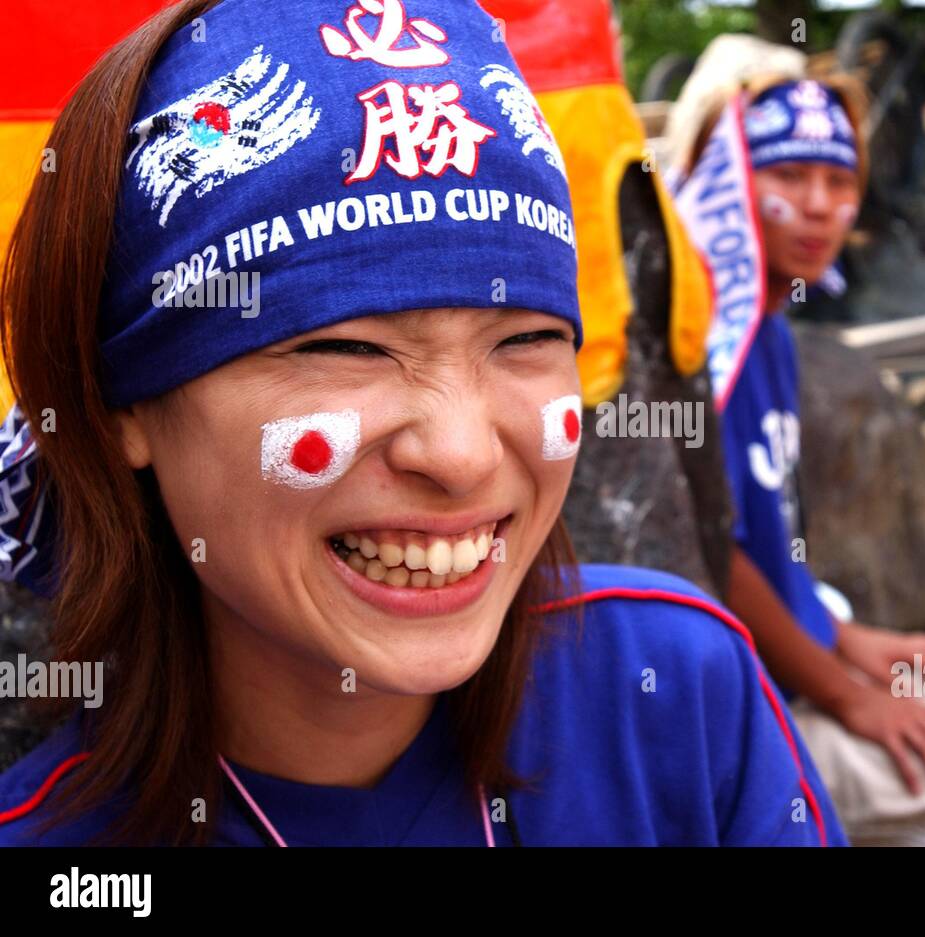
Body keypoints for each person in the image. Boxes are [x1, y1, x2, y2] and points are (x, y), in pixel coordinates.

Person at [0, 0, 843, 847]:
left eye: (524, 339)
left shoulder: (678, 695)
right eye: (346, 347)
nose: (462, 454)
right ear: (124, 409)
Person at [678, 76, 925, 846]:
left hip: (807, 652)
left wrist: (851, 642)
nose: (820, 204)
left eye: (840, 178)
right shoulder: (700, 348)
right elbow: (713, 554)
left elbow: (766, 541)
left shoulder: (771, 330)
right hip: (743, 700)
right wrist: (849, 695)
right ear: (724, 180)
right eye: (788, 174)